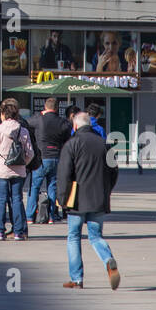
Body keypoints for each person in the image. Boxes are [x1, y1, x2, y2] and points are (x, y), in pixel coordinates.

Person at [56, 105, 120, 290]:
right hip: (98, 197)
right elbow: (114, 171)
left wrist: (62, 198)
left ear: (75, 126)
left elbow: (64, 174)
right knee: (96, 236)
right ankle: (108, 260)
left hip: (76, 200)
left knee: (74, 237)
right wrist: (107, 190)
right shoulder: (104, 143)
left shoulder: (71, 144)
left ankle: (77, 279)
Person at [0, 97, 33, 241]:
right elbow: (30, 153)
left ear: (3, 114)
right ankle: (18, 232)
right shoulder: (23, 130)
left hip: (1, 169)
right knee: (17, 199)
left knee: (1, 199)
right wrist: (23, 163)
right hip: (18, 170)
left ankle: (0, 231)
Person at [26, 97, 69, 224]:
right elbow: (67, 138)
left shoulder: (38, 119)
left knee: (34, 187)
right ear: (57, 108)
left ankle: (29, 216)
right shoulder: (63, 122)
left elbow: (26, 123)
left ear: (45, 107)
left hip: (41, 158)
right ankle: (51, 216)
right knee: (52, 187)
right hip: (56, 157)